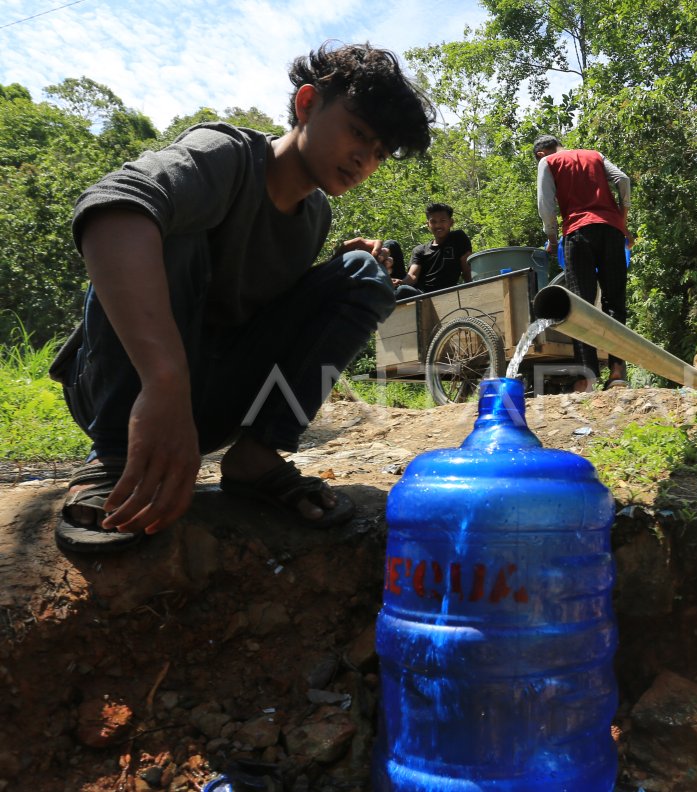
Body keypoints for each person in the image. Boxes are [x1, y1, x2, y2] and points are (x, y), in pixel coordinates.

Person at [47, 42, 435, 555]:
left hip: (208, 400)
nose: (365, 158)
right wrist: (164, 382)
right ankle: (116, 457)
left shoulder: (314, 218)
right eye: (358, 132)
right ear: (306, 104)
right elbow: (113, 208)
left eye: (380, 153)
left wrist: (336, 275)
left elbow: (263, 313)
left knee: (363, 273)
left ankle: (255, 458)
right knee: (162, 220)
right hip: (129, 389)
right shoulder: (224, 154)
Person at [533, 134, 632, 391]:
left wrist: (552, 238)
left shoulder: (548, 162)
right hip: (611, 232)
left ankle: (586, 378)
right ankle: (618, 372)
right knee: (614, 301)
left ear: (541, 154)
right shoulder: (595, 155)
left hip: (578, 233)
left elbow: (545, 205)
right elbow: (623, 180)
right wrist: (622, 220)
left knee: (581, 305)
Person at [388, 203, 472, 298]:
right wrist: (401, 282)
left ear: (451, 222)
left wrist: (473, 290)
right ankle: (378, 283)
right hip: (420, 292)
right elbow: (413, 276)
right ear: (428, 224)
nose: (438, 225)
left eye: (442, 220)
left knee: (402, 290)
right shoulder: (420, 250)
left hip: (439, 294)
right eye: (433, 222)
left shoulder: (458, 238)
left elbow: (467, 269)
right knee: (391, 245)